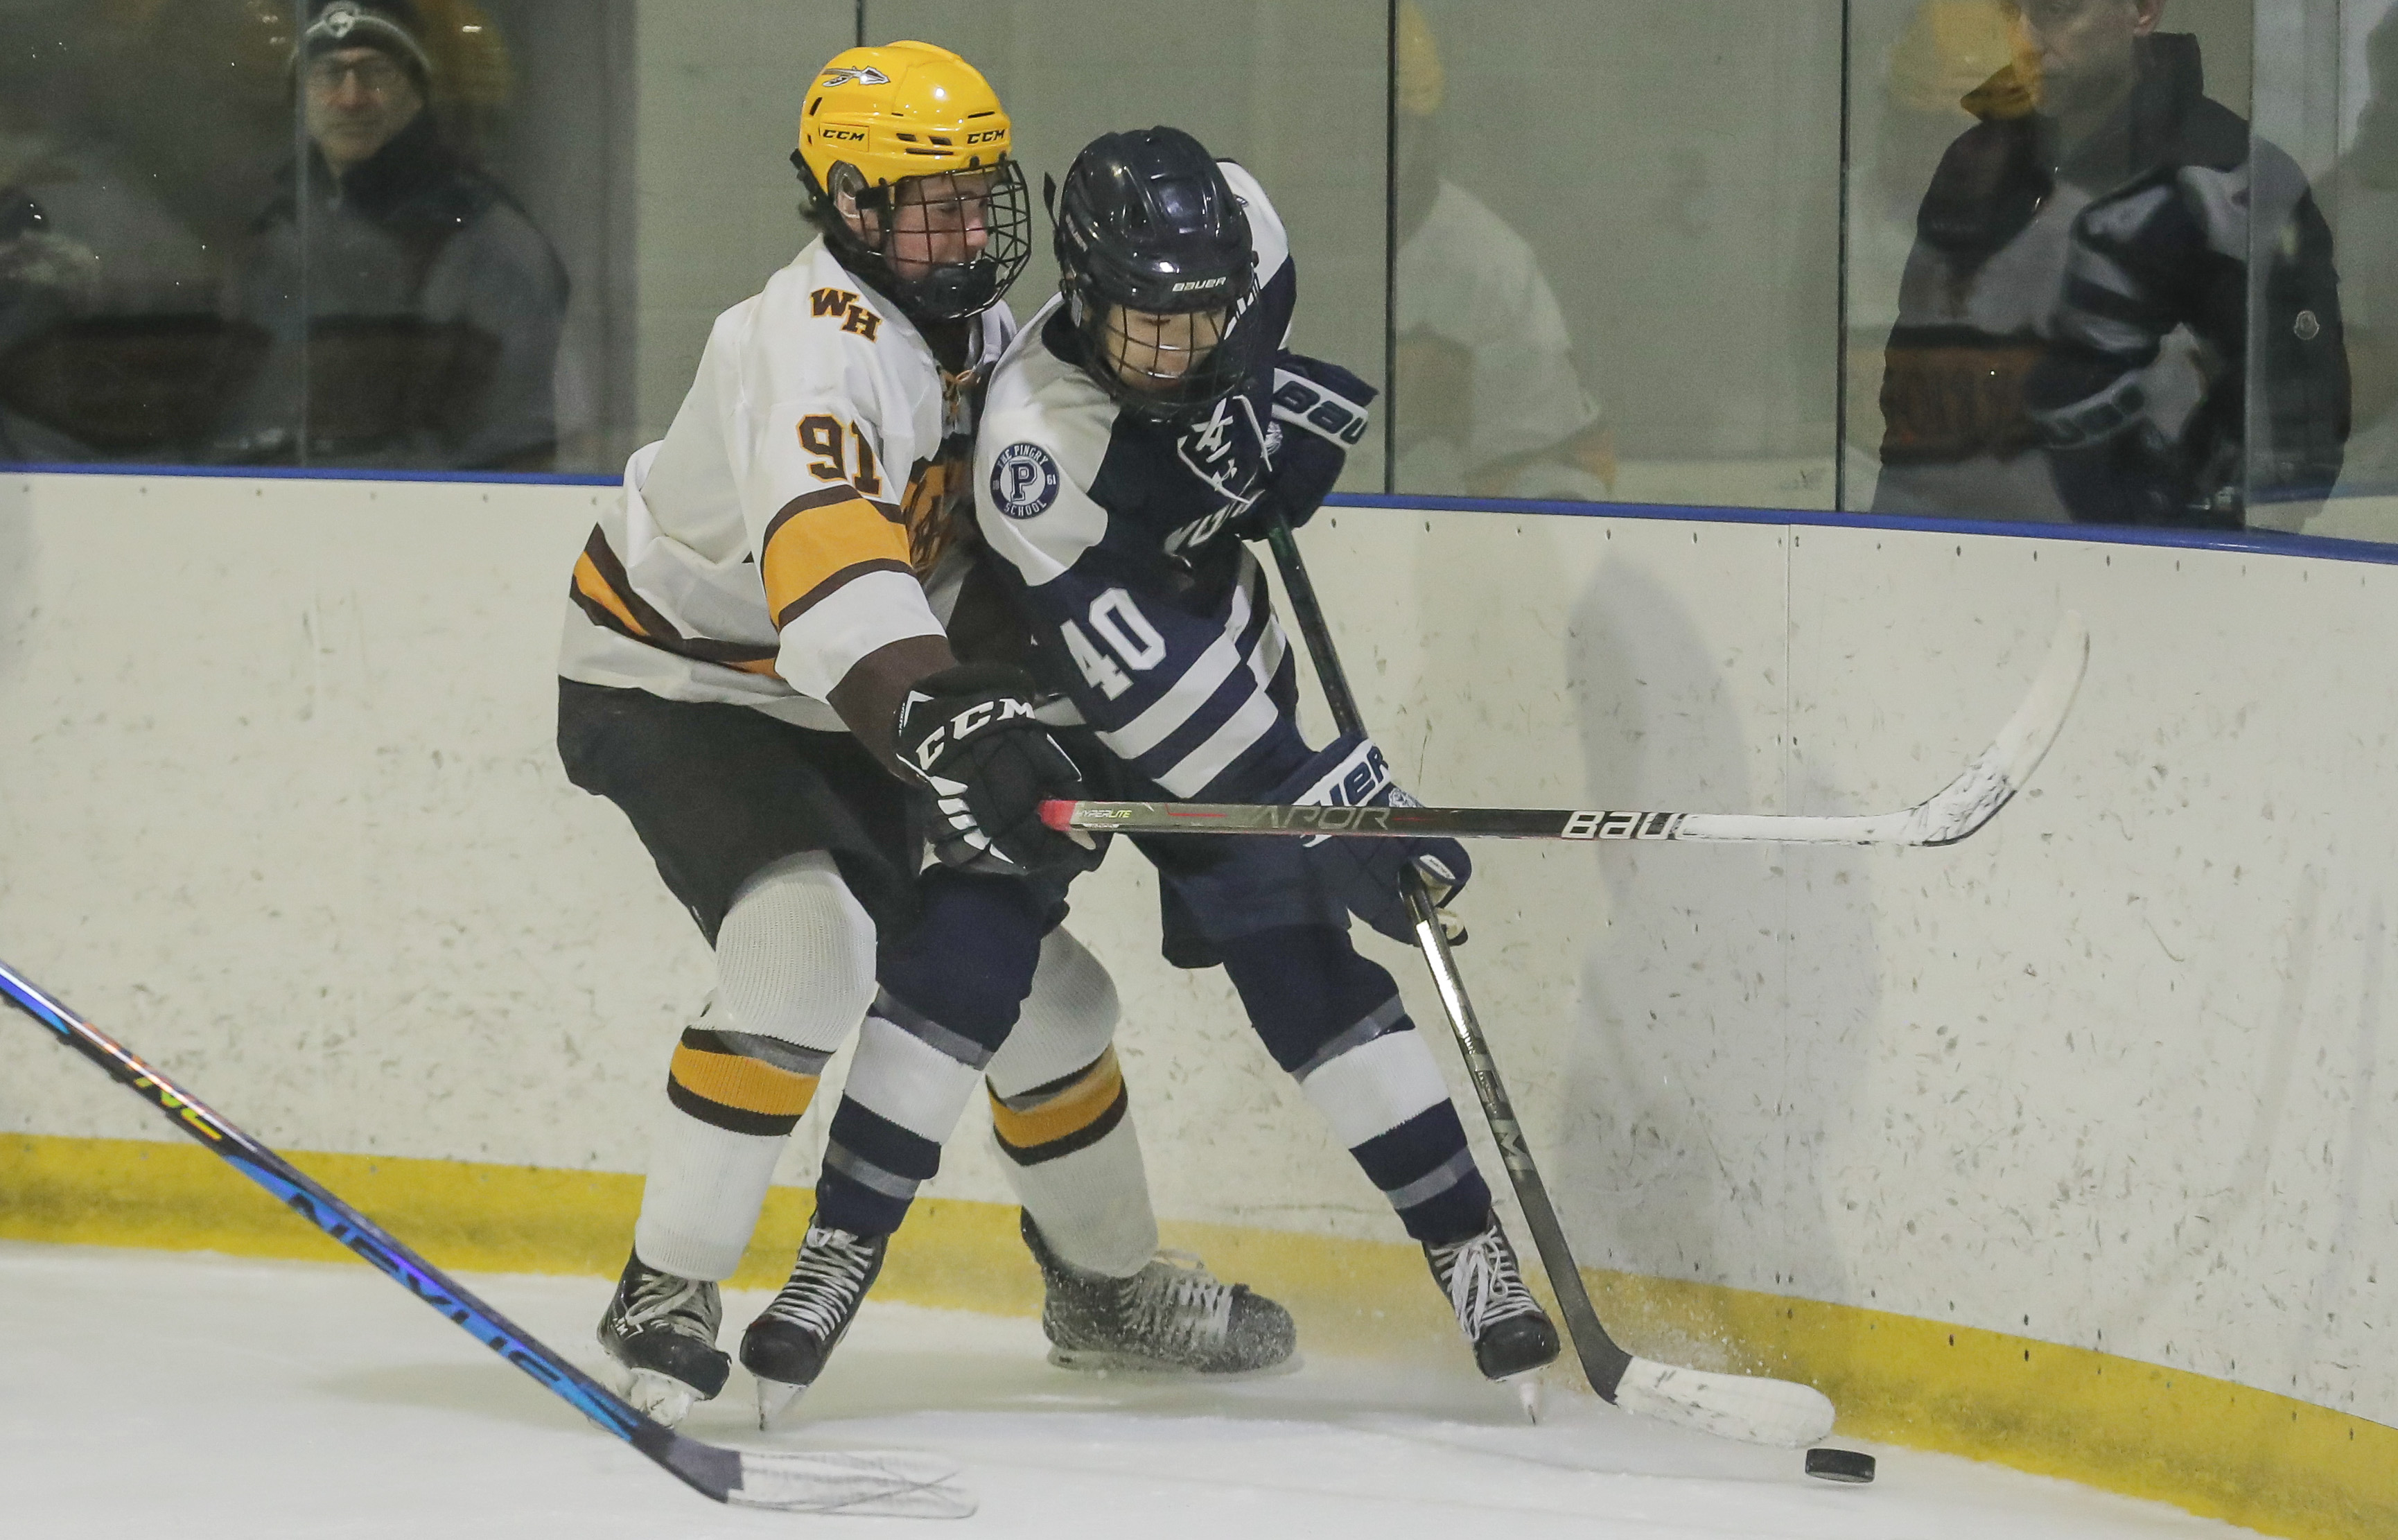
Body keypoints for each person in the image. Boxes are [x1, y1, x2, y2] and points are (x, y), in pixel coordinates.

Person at [740, 126, 1562, 1408]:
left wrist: (1260, 449)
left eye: (1202, 321)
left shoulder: (1245, 232)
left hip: (1205, 635)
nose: (1178, 349)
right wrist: (1337, 814)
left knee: (1305, 970)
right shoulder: (1039, 459)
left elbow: (1254, 361)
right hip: (1043, 701)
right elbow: (1175, 704)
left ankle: (1476, 1257)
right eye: (1146, 325)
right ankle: (839, 1249)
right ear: (1080, 293)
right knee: (960, 963)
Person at [553, 43, 1288, 1428]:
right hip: (682, 687)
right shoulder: (809, 344)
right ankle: (665, 1285)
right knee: (805, 952)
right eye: (923, 202)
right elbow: (833, 578)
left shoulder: (983, 325)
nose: (962, 228)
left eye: (974, 194)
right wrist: (961, 715)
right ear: (847, 201)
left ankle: (1106, 1287)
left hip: (863, 689)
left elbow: (1002, 547)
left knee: (1050, 995)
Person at [1873, 0, 2347, 527]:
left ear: (2142, 11)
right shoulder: (1972, 166)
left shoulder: (2231, 185)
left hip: (2146, 586)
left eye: (2057, 8)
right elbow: (1910, 413)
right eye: (2012, 9)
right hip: (1938, 572)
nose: (2025, 36)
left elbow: (2293, 457)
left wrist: (2164, 534)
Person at [215, 0, 567, 470]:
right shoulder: (273, 234)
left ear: (417, 94)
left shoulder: (488, 242)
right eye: (327, 74)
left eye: (376, 73)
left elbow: (516, 447)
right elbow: (238, 426)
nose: (350, 98)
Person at [1389, 1, 1613, 501]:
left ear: (1425, 133)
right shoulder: (1252, 241)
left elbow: (1559, 485)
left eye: (1388, 128)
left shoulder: (1489, 268)